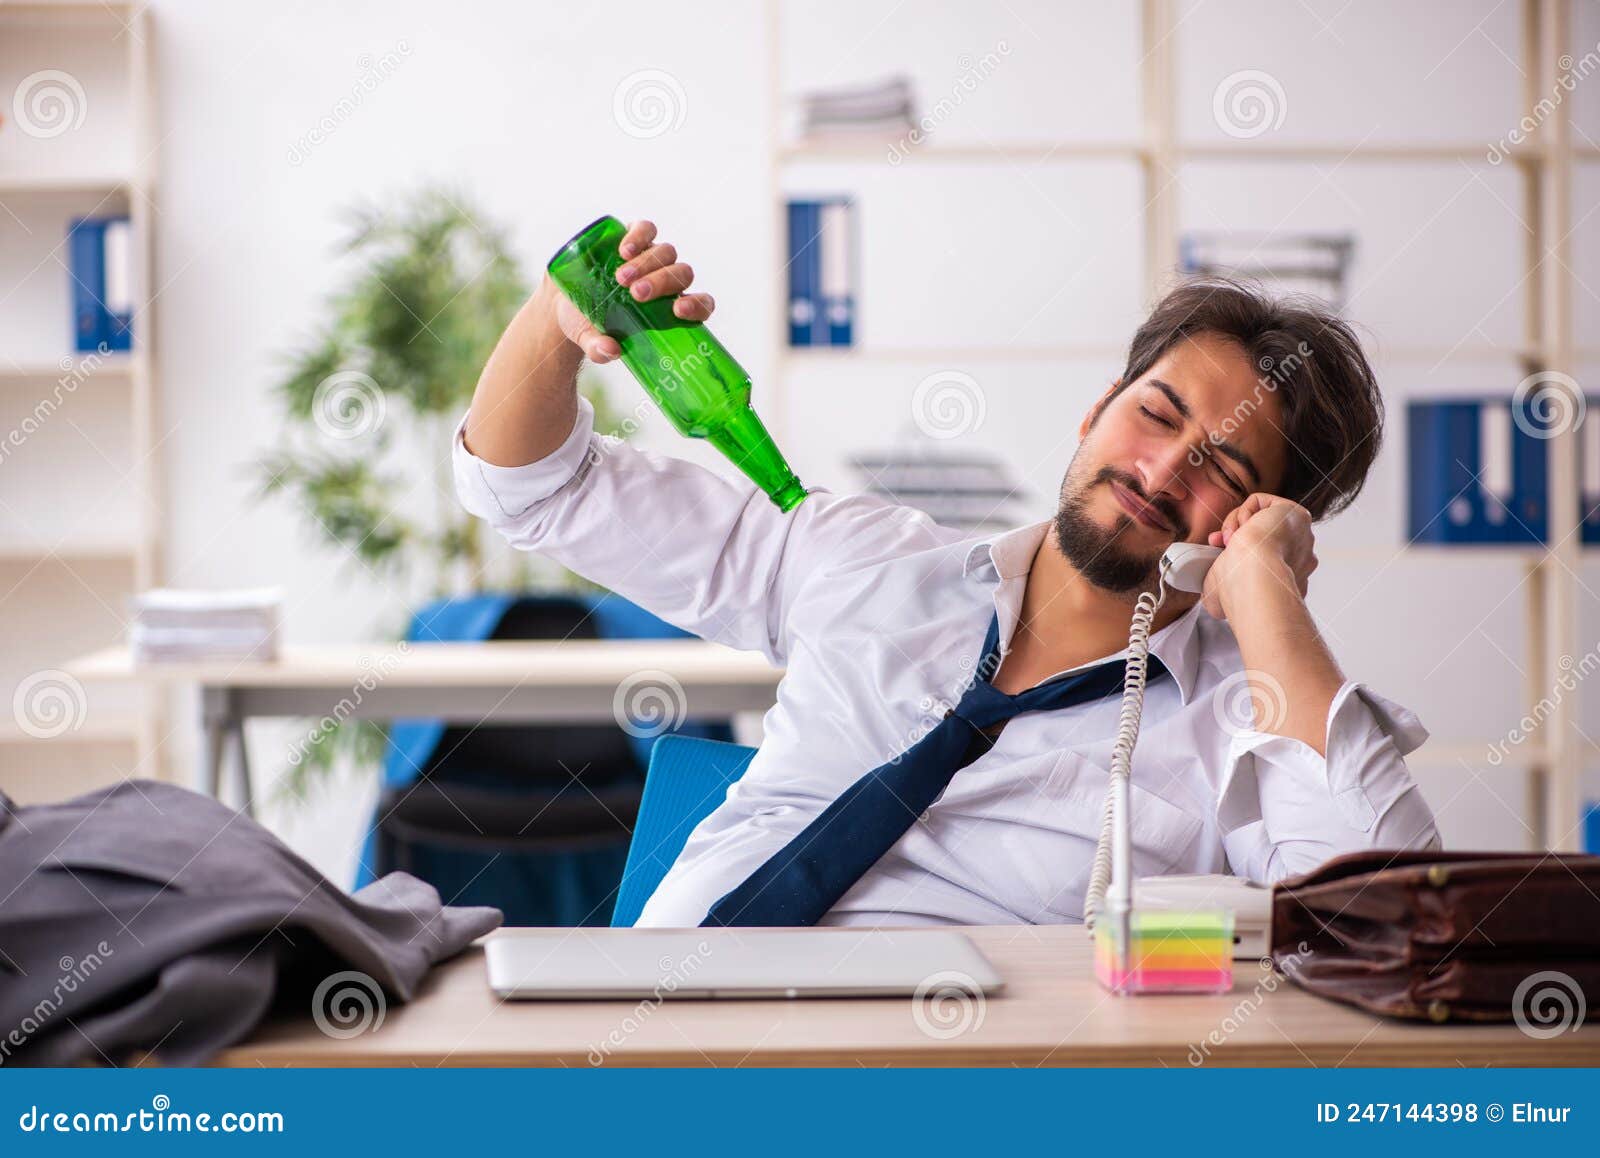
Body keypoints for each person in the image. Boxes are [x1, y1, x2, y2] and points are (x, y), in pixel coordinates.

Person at [455, 217, 1439, 928]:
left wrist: (1266, 594)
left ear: (1258, 519)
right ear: (1099, 407)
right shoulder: (859, 559)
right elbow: (527, 486)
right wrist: (557, 318)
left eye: (1225, 469)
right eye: (1155, 414)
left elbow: (1386, 920)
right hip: (644, 1049)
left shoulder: (1242, 719)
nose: (1162, 471)